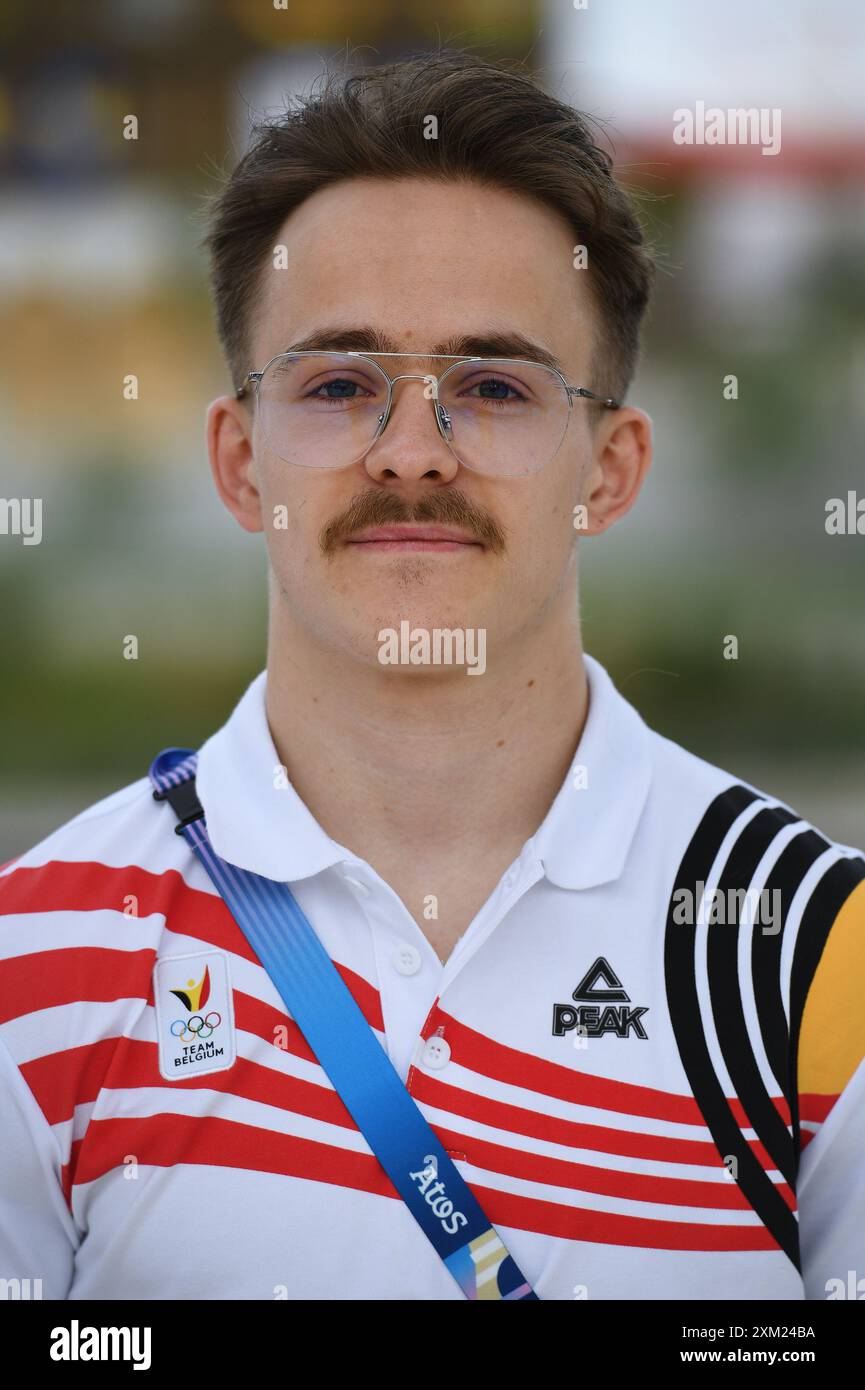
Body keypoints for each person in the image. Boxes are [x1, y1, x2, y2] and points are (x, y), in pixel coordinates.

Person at [1, 51, 862, 1303]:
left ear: (610, 470)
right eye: (340, 383)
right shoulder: (36, 959)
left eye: (493, 386)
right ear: (241, 463)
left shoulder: (811, 951)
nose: (412, 453)